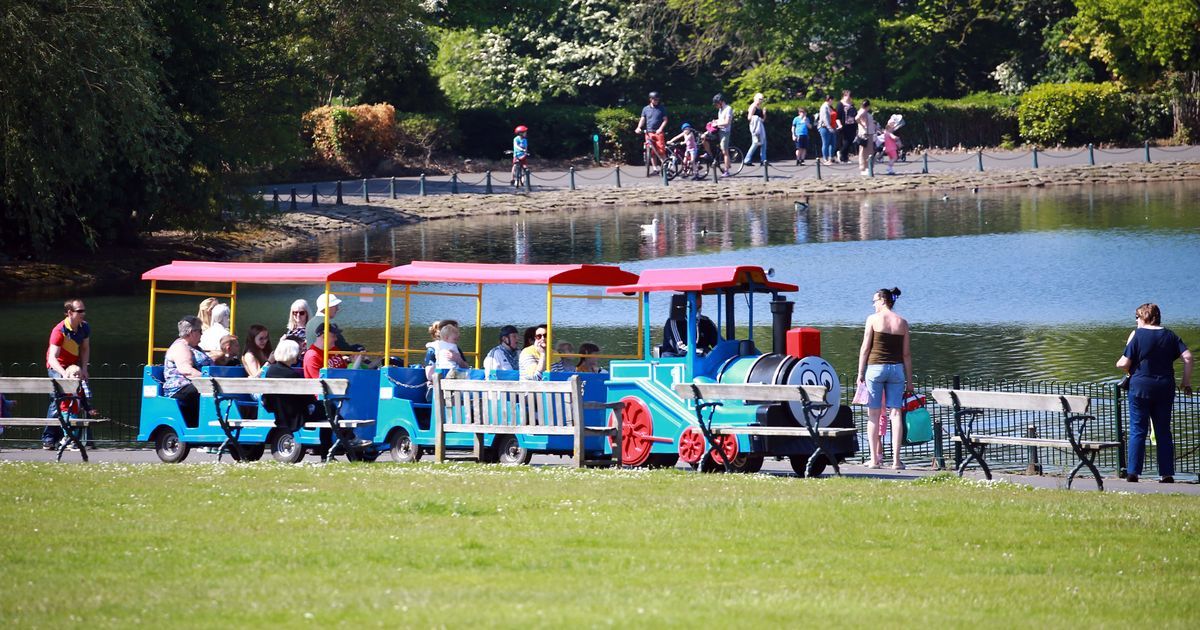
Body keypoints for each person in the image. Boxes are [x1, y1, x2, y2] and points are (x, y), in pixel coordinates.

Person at [1116, 303, 1193, 483]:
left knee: (1138, 429)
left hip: (1140, 388)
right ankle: (1167, 474)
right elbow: (1188, 357)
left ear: (1145, 317)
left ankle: (1133, 473)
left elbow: (1124, 363)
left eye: (1137, 317)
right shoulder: (1170, 336)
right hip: (1165, 388)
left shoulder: (1138, 335)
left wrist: (1123, 366)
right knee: (1163, 431)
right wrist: (1185, 382)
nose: (1136, 321)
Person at [856, 287, 912, 470]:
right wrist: (910, 381)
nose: (873, 305)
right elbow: (906, 354)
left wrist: (860, 373)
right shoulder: (902, 322)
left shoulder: (873, 319)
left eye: (874, 301)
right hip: (897, 370)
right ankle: (896, 461)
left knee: (873, 415)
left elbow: (865, 348)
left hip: (875, 369)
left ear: (882, 300)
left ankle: (874, 460)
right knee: (896, 414)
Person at [43, 298, 91, 449]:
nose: (83, 313)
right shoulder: (59, 331)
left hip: (72, 366)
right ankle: (49, 438)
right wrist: (63, 374)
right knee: (58, 398)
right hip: (57, 367)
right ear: (70, 313)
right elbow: (52, 359)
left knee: (81, 395)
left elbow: (85, 348)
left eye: (84, 310)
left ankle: (83, 439)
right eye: (79, 311)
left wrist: (84, 369)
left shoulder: (84, 327)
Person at [163, 315, 214, 428]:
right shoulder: (181, 347)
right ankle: (210, 425)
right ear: (191, 332)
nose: (202, 334)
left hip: (194, 385)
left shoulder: (195, 347)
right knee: (213, 388)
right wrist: (212, 380)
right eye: (200, 331)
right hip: (181, 389)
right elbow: (186, 370)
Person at [261, 340, 313, 433]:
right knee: (329, 410)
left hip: (280, 414)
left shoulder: (270, 371)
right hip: (295, 416)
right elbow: (308, 398)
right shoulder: (292, 374)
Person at [635, 91, 669, 174]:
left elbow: (665, 120)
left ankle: (665, 168)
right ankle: (655, 169)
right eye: (655, 99)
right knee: (651, 151)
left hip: (658, 133)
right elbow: (643, 119)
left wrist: (660, 129)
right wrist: (639, 127)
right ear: (651, 99)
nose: (657, 101)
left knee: (661, 150)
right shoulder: (646, 109)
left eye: (657, 99)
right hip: (649, 133)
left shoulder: (661, 108)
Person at [710, 94, 734, 176]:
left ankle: (727, 171)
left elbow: (727, 122)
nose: (716, 106)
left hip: (725, 132)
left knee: (724, 151)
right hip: (719, 130)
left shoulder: (728, 109)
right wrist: (715, 121)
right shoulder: (720, 110)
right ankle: (727, 164)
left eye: (716, 104)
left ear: (720, 102)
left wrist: (717, 124)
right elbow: (721, 120)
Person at [855, 99, 878, 176]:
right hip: (865, 133)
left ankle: (867, 167)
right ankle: (863, 168)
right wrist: (863, 125)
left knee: (868, 151)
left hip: (868, 133)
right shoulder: (863, 111)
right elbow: (857, 118)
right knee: (864, 151)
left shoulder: (863, 111)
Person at [744, 92, 767, 166]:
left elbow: (763, 120)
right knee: (755, 143)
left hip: (760, 127)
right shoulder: (753, 106)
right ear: (756, 99)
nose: (761, 101)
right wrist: (756, 118)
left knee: (764, 143)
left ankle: (763, 160)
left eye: (762, 99)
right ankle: (747, 159)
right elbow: (749, 117)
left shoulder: (759, 107)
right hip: (755, 127)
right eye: (760, 99)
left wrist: (764, 113)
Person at [837, 90, 857, 163]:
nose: (850, 98)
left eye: (851, 96)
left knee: (851, 140)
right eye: (848, 96)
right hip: (844, 125)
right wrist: (839, 124)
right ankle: (842, 154)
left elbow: (855, 113)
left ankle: (845, 157)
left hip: (852, 125)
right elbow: (838, 117)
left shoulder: (851, 104)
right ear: (844, 96)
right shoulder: (840, 104)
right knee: (846, 141)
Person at [817, 95, 836, 165]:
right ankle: (825, 159)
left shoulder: (830, 107)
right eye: (833, 100)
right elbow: (825, 119)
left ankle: (831, 158)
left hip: (832, 127)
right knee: (826, 143)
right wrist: (829, 128)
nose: (833, 101)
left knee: (832, 143)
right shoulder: (824, 107)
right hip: (824, 127)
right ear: (830, 100)